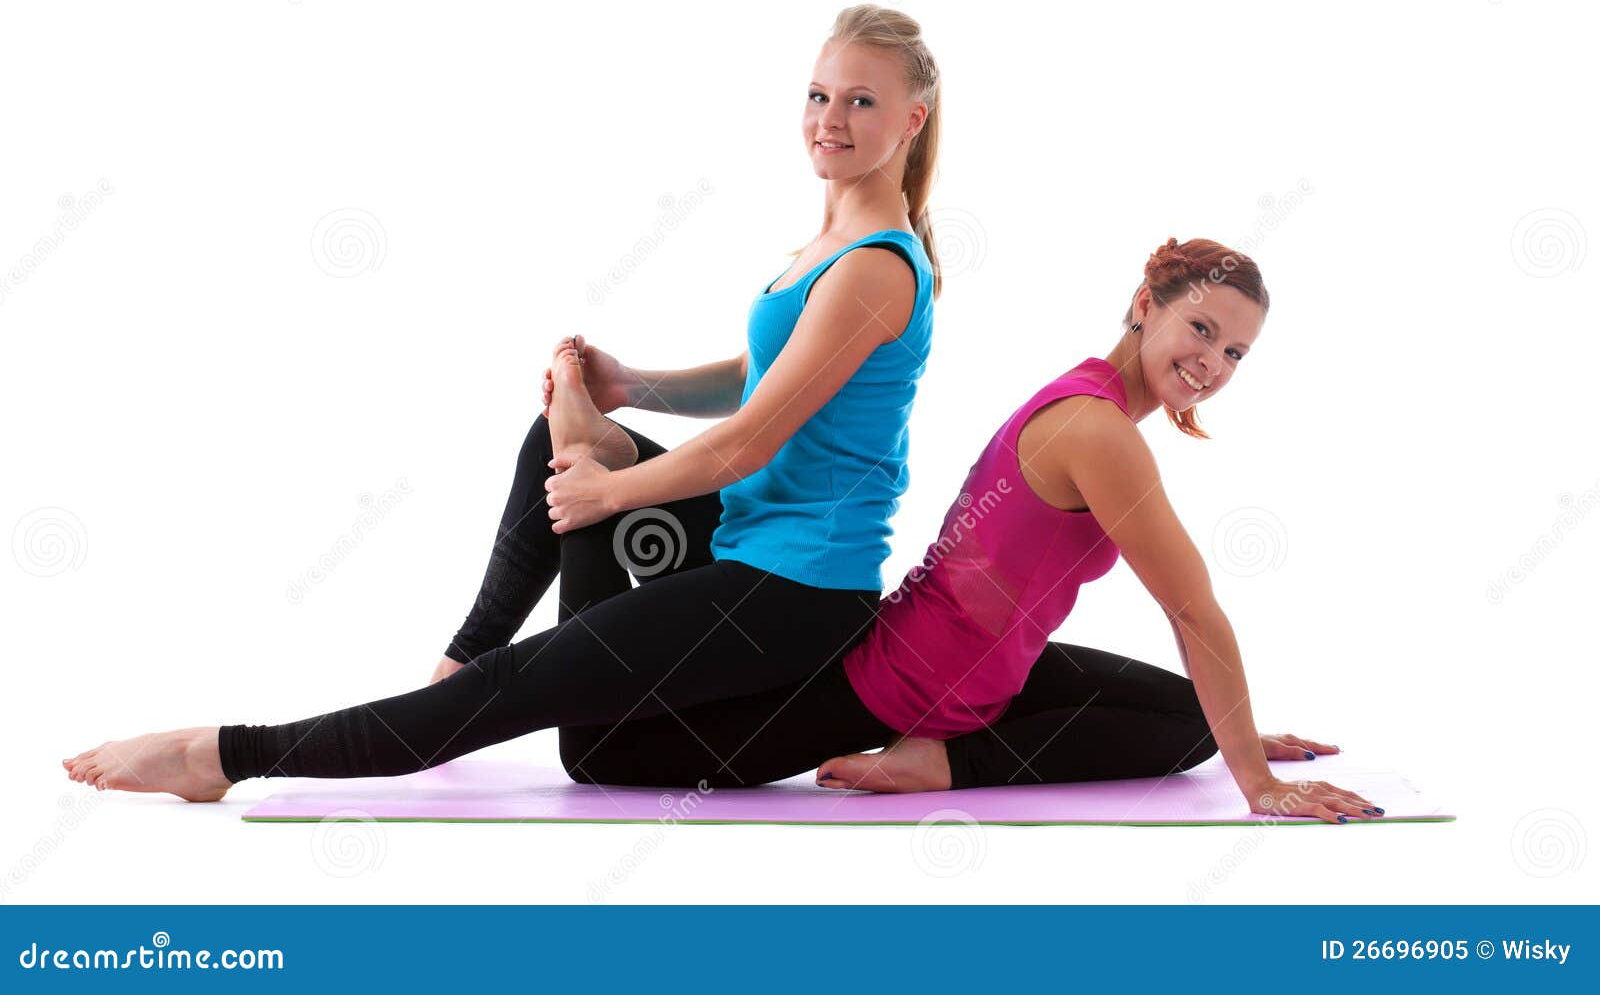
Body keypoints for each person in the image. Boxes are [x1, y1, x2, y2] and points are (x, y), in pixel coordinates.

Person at [60, 3, 945, 801]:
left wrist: (608, 490)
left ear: (911, 119)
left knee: (539, 698)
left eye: (860, 102)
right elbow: (760, 377)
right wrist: (630, 385)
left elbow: (751, 436)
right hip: (741, 539)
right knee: (597, 737)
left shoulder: (873, 264)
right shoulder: (834, 237)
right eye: (819, 94)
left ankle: (221, 755)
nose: (830, 119)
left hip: (794, 591)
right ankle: (466, 660)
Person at [550, 239, 1384, 826]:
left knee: (1189, 724)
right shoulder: (1099, 431)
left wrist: (1234, 726)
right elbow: (1194, 609)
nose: (1213, 363)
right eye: (1202, 329)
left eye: (1236, 352)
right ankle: (586, 471)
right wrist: (1258, 782)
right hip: (911, 680)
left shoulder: (1091, 398)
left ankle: (946, 751)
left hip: (975, 664)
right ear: (1145, 305)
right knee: (597, 753)